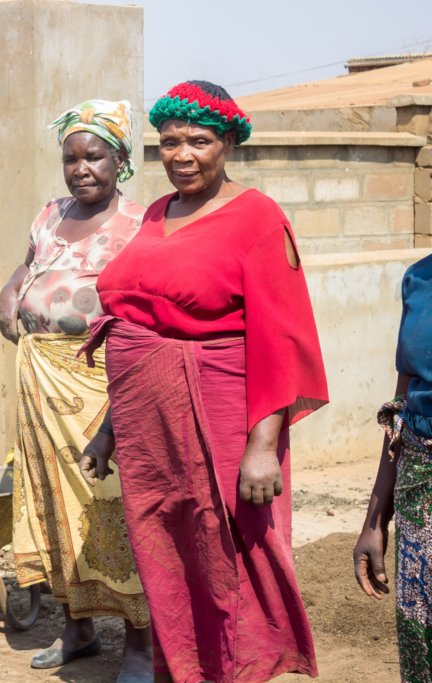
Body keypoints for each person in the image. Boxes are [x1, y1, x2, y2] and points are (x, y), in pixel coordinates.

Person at [80, 81, 329, 682]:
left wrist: (263, 447)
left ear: (228, 144)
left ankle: (239, 669)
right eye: (169, 143)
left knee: (231, 548)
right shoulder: (159, 213)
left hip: (222, 414)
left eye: (199, 141)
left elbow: (282, 337)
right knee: (167, 547)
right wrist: (109, 429)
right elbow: (137, 320)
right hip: (150, 426)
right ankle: (182, 667)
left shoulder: (257, 217)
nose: (182, 155)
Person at [0, 99, 151, 680]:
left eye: (95, 156)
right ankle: (78, 628)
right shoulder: (49, 215)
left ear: (120, 160)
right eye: (71, 158)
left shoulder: (139, 224)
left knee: (108, 505)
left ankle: (140, 641)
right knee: (51, 506)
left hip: (100, 385)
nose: (81, 168)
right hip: (38, 384)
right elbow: (26, 267)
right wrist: (9, 293)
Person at [354, 252, 432, 683]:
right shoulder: (420, 278)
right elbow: (400, 405)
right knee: (420, 635)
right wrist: (375, 520)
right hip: (420, 493)